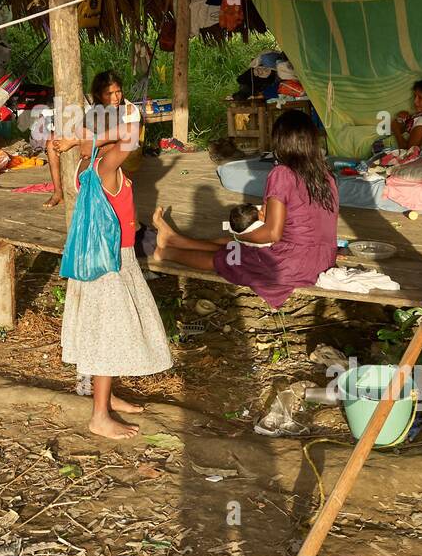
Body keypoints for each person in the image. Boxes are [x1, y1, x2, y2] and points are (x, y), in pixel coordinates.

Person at [57, 101, 172, 440]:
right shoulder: (105, 163)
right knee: (108, 335)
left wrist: (92, 139)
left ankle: (105, 396)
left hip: (98, 257)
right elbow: (133, 135)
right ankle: (99, 416)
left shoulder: (87, 161)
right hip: (111, 260)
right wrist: (99, 136)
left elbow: (128, 134)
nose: (75, 136)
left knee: (101, 330)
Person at [150, 110, 338, 308]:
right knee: (238, 248)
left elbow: (272, 233)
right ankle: (175, 240)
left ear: (280, 141)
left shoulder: (283, 173)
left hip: (290, 265)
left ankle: (165, 253)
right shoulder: (327, 176)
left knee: (230, 255)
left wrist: (240, 236)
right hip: (322, 260)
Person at [42, 70, 142, 209]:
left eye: (118, 92)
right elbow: (83, 129)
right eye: (109, 93)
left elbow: (128, 139)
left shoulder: (129, 110)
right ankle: (58, 191)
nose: (115, 98)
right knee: (52, 141)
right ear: (99, 95)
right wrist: (81, 138)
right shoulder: (97, 110)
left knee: (99, 143)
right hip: (97, 147)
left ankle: (77, 146)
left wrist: (78, 141)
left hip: (125, 154)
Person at [389, 78, 422, 150]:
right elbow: (407, 132)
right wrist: (403, 120)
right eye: (415, 96)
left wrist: (396, 130)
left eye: (420, 98)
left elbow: (409, 151)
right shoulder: (420, 115)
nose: (415, 101)